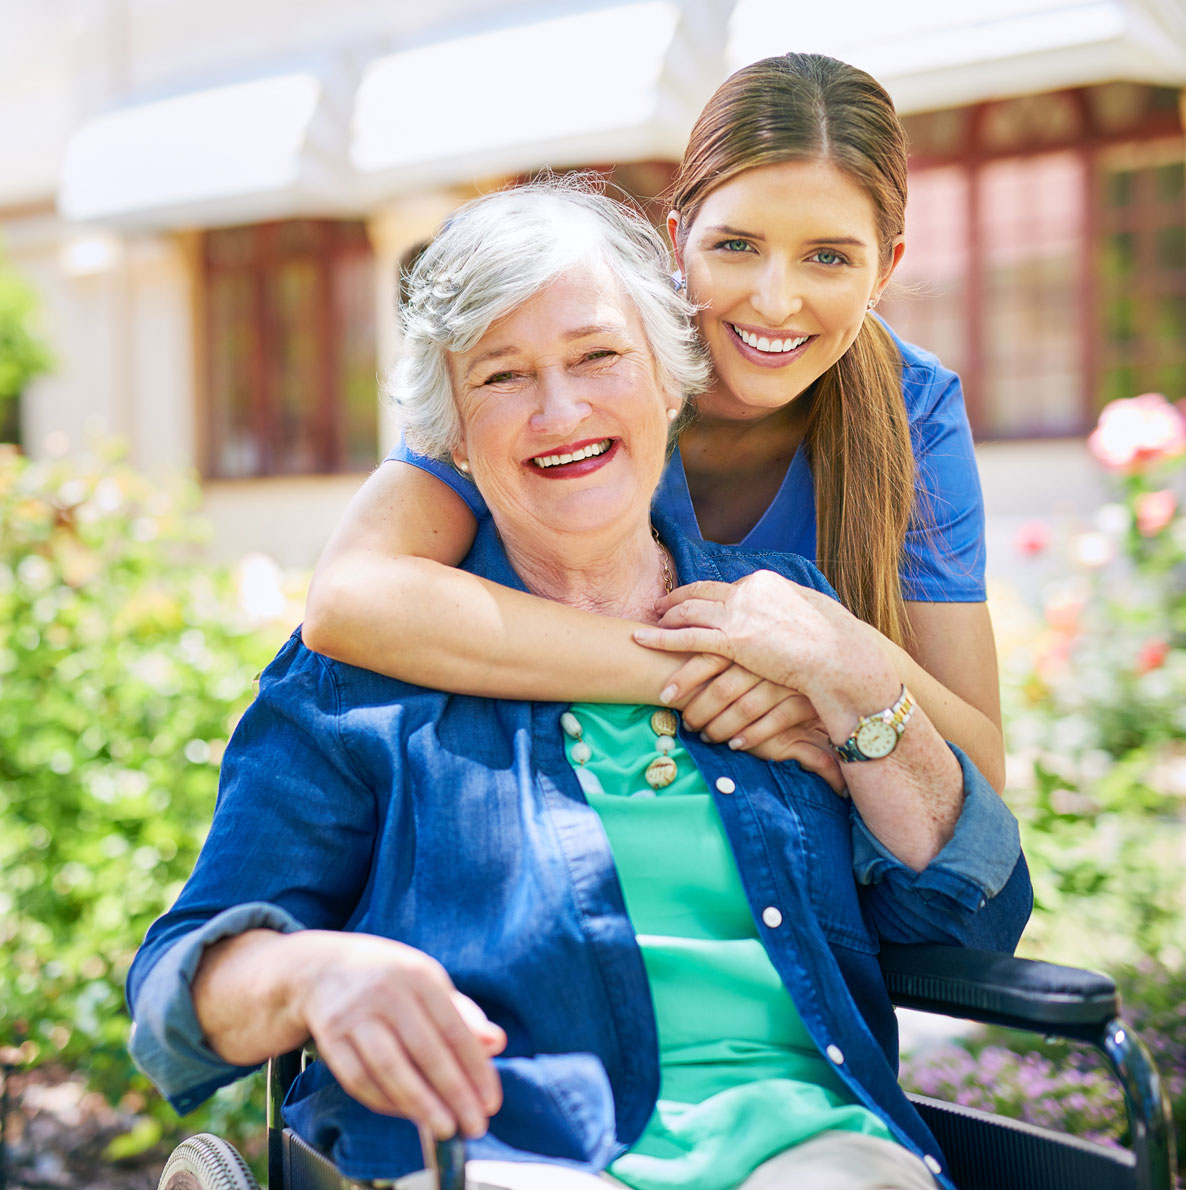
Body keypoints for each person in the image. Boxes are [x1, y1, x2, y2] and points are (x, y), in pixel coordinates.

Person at [127, 180, 1030, 1190]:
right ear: (455, 435)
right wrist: (313, 972)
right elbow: (179, 982)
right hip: (500, 1145)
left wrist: (859, 682)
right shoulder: (364, 677)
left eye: (598, 355)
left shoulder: (788, 623)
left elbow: (970, 917)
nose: (561, 411)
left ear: (669, 379)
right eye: (504, 376)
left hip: (810, 1147)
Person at [300, 52, 1005, 795]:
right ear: (678, 237)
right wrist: (708, 672)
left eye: (828, 258)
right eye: (736, 245)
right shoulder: (572, 358)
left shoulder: (913, 408)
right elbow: (352, 599)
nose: (774, 301)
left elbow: (982, 774)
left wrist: (839, 655)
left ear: (885, 270)